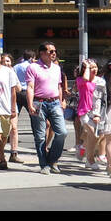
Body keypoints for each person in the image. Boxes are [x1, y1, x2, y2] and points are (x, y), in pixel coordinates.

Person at [25, 42, 67, 174]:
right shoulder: (33, 67)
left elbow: (59, 86)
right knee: (40, 136)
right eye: (50, 51)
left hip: (54, 102)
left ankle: (52, 160)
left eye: (54, 51)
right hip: (39, 103)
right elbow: (30, 87)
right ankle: (44, 165)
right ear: (42, 53)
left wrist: (61, 102)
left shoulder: (56, 68)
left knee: (62, 132)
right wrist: (30, 104)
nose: (54, 53)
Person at [75, 58, 104, 169]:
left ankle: (83, 147)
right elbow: (86, 78)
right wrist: (86, 66)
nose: (94, 70)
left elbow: (102, 97)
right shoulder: (80, 80)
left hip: (97, 111)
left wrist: (98, 113)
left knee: (94, 136)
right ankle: (90, 160)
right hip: (84, 110)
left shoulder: (101, 81)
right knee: (93, 134)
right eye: (91, 68)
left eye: (95, 67)